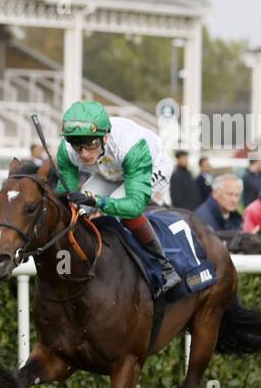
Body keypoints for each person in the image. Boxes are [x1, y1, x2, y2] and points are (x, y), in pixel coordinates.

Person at [54, 99, 181, 292]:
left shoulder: (130, 145)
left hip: (150, 165)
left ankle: (164, 266)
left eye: (91, 144)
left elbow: (134, 205)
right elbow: (65, 197)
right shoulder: (66, 150)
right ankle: (70, 263)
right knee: (76, 210)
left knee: (121, 211)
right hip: (110, 168)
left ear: (105, 137)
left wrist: (96, 201)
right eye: (77, 145)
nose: (85, 154)